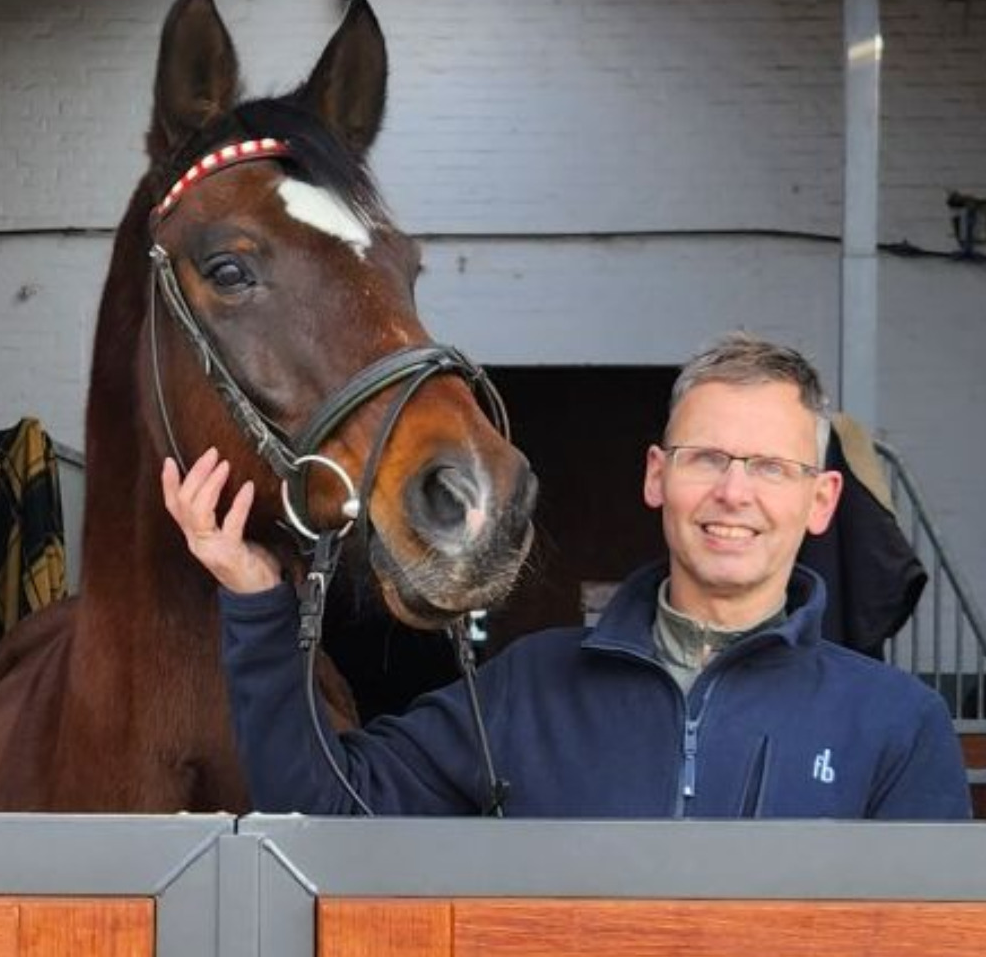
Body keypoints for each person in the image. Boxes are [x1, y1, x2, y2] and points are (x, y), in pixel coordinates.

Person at [162, 333, 972, 819]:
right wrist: (255, 598)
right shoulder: (529, 690)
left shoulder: (897, 727)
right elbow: (327, 804)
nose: (734, 492)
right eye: (707, 458)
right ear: (656, 476)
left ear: (820, 500)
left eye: (769, 466)